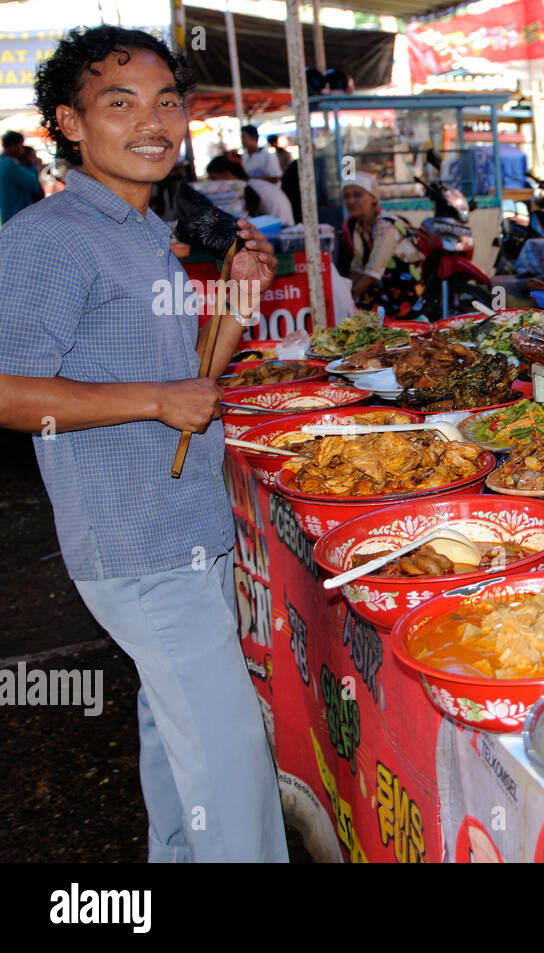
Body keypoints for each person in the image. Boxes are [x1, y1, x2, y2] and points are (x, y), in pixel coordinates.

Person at [0, 25, 288, 862]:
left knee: (174, 734)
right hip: (136, 544)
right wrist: (158, 399)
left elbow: (193, 381)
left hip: (184, 526)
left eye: (167, 102)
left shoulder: (141, 230)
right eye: (119, 103)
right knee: (232, 765)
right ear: (71, 123)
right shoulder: (47, 240)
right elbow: (10, 391)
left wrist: (236, 302)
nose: (152, 121)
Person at [342, 169, 423, 316]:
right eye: (346, 196)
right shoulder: (359, 227)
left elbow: (373, 272)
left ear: (373, 197)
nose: (351, 201)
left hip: (403, 294)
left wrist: (349, 297)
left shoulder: (386, 227)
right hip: (380, 289)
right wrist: (345, 292)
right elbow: (357, 267)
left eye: (357, 195)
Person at [207, 154, 295, 225]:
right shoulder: (253, 184)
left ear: (225, 174)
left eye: (214, 179)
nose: (216, 184)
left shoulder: (246, 188)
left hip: (281, 227)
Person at [0, 130, 43, 223]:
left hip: (9, 215)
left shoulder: (3, 163)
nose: (22, 149)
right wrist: (34, 165)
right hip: (18, 215)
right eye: (20, 145)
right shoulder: (9, 165)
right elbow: (33, 184)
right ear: (12, 146)